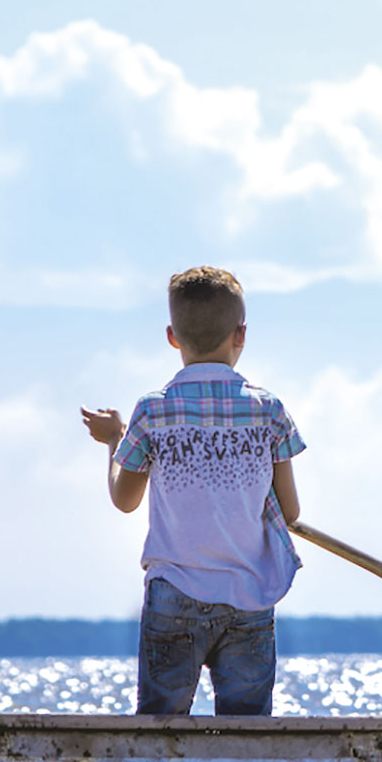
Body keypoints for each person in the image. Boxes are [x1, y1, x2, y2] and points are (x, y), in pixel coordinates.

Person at [80, 266, 305, 716]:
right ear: (241, 334)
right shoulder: (269, 411)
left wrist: (114, 440)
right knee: (246, 734)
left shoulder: (153, 410)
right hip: (248, 594)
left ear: (172, 336)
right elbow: (291, 511)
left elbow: (125, 500)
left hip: (174, 592)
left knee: (160, 727)